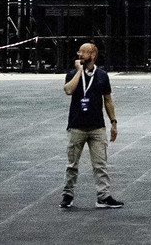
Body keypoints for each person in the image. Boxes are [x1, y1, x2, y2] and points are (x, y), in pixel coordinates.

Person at [60, 42, 121, 210]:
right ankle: (68, 195)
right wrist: (79, 71)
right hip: (76, 125)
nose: (79, 54)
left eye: (83, 52)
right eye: (79, 51)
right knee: (72, 164)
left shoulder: (102, 75)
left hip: (97, 127)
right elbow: (68, 90)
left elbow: (108, 100)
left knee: (100, 164)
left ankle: (104, 196)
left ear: (93, 55)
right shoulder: (73, 73)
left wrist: (113, 122)